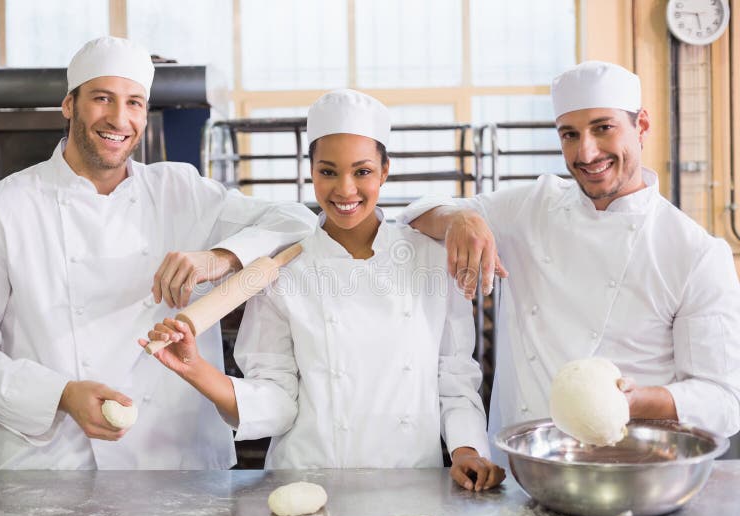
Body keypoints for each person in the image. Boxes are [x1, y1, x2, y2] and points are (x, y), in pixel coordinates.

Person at [0, 36, 315, 469]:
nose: (120, 118)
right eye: (102, 98)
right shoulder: (3, 207)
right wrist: (60, 395)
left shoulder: (181, 190)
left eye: (134, 102)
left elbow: (298, 222)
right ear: (69, 105)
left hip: (177, 461)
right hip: (56, 465)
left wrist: (221, 257)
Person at [142, 89, 506, 491]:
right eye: (328, 172)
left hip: (409, 483)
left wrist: (468, 451)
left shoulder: (431, 259)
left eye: (362, 171)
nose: (345, 190)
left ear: (385, 171)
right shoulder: (282, 268)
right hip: (306, 484)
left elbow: (453, 379)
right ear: (311, 171)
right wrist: (197, 370)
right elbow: (278, 399)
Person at [400, 61, 740, 455]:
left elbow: (723, 400)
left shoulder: (695, 252)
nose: (586, 152)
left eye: (603, 128)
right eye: (570, 134)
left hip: (630, 470)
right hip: (518, 472)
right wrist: (459, 217)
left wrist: (630, 402)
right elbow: (416, 212)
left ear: (642, 125)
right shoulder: (529, 207)